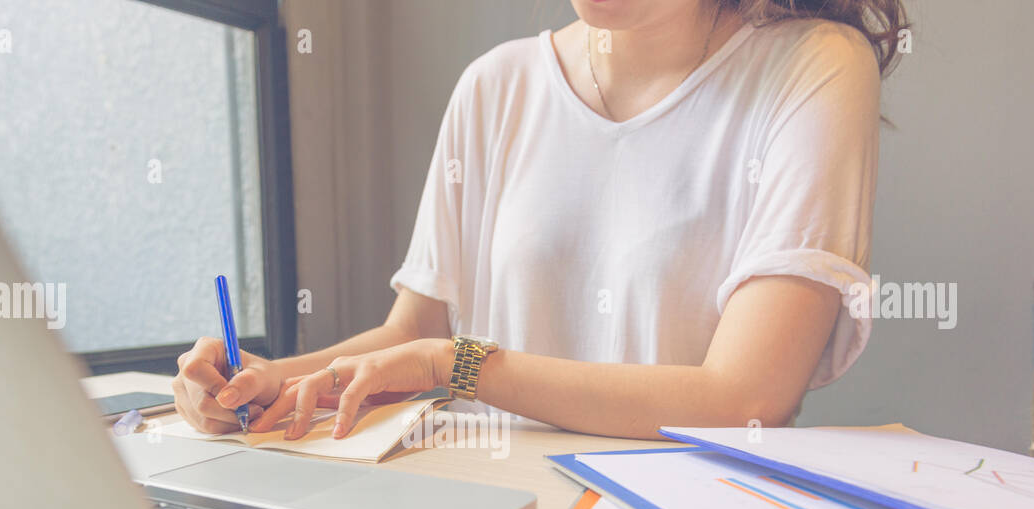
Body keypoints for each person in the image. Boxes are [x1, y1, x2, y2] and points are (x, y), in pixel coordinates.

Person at [173, 0, 908, 441]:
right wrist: (269, 381)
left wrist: (456, 365)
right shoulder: (497, 84)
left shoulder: (815, 66)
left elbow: (743, 397)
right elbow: (412, 334)